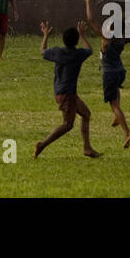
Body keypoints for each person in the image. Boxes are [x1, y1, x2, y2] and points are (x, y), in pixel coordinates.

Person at [33, 21, 100, 159]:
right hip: (67, 95)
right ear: (76, 41)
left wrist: (45, 35)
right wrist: (83, 35)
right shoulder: (78, 54)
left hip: (64, 92)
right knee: (67, 124)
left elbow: (42, 51)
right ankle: (42, 145)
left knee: (86, 114)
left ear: (63, 40)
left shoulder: (58, 52)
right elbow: (90, 50)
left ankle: (87, 148)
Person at [82, 0, 130, 148]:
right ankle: (117, 117)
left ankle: (127, 132)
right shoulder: (122, 39)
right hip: (120, 72)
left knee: (114, 105)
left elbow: (91, 19)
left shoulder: (106, 38)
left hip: (110, 73)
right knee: (115, 91)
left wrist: (88, 2)